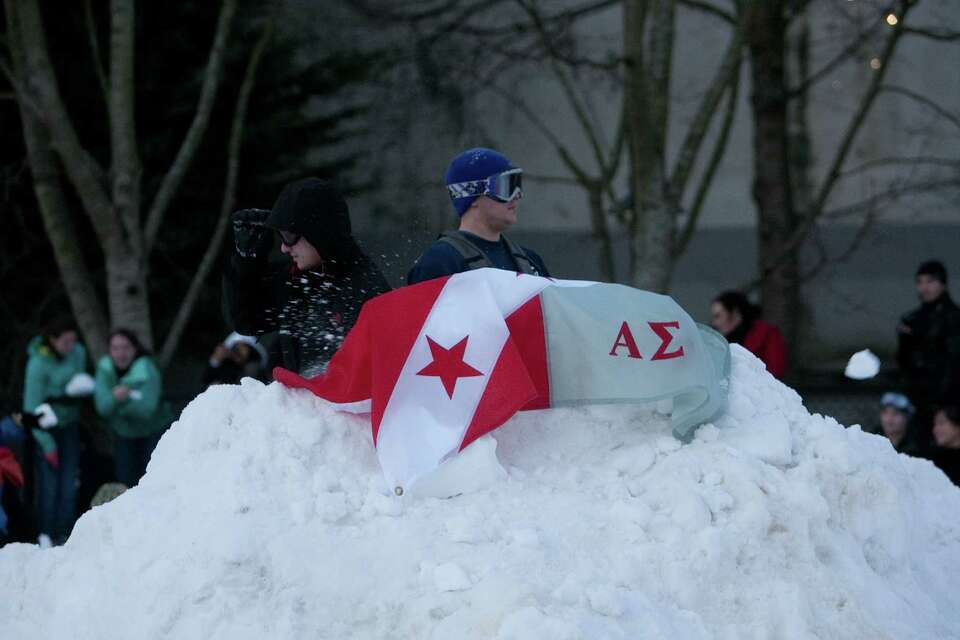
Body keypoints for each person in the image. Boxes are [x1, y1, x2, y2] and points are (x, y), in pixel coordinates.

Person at [223, 178, 390, 377]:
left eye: (289, 236)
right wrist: (247, 262)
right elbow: (250, 321)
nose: (284, 247)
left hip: (343, 406)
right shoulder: (298, 280)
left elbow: (380, 374)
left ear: (318, 232)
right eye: (280, 236)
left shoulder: (366, 290)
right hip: (300, 404)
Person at [407, 147, 550, 285]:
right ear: (472, 196)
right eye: (506, 187)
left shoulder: (530, 261)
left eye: (517, 185)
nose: (516, 197)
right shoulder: (441, 262)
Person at [22, 318, 94, 543]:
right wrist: (47, 445)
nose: (71, 346)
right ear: (52, 340)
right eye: (65, 342)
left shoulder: (78, 352)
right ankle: (46, 534)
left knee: (69, 482)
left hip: (70, 426)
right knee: (49, 486)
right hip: (45, 430)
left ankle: (66, 534)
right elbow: (30, 410)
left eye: (73, 340)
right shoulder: (38, 364)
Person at [93, 329, 170, 488]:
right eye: (115, 348)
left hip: (154, 432)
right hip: (124, 434)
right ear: (109, 351)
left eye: (126, 347)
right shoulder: (104, 369)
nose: (121, 353)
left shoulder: (146, 369)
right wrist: (117, 398)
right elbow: (102, 408)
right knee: (125, 482)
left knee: (154, 480)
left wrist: (118, 402)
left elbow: (146, 410)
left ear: (135, 349)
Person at [896, 260, 960, 445]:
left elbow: (953, 362)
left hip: (948, 403)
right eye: (920, 282)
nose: (924, 287)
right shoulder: (912, 319)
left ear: (943, 283)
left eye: (930, 281)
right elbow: (904, 361)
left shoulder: (954, 319)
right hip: (918, 401)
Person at [710, 291, 788, 379]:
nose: (714, 323)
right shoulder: (719, 343)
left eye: (718, 316)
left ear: (735, 313)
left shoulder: (768, 335)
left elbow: (774, 373)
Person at [202, 332, 268, 387]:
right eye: (234, 348)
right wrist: (216, 360)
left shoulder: (254, 367)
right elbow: (206, 380)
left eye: (241, 347)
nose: (236, 352)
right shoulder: (229, 368)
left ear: (250, 349)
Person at [874, 391, 923, 456]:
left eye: (895, 413)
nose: (889, 419)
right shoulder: (871, 441)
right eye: (885, 412)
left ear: (907, 417)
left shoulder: (917, 446)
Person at [926, 405, 960, 486]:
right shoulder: (932, 460)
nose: (935, 430)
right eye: (935, 424)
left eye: (941, 423)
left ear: (957, 426)